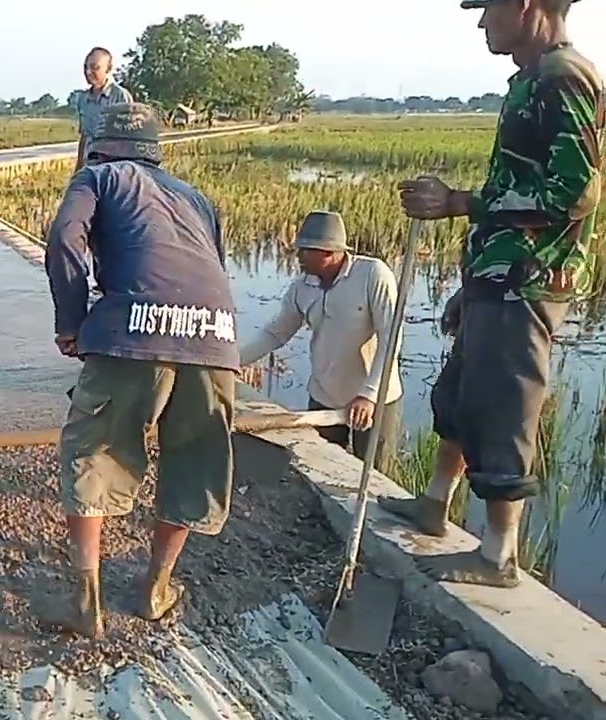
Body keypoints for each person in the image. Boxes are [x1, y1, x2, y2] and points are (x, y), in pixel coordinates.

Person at [380, 0, 603, 588]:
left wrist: (461, 203)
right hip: (497, 273)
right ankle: (435, 504)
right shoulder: (530, 81)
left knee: (505, 406)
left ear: (528, 6)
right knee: (456, 396)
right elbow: (517, 181)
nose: (482, 23)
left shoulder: (563, 78)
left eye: (491, 9)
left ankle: (498, 555)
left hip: (529, 276)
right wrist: (474, 276)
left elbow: (573, 195)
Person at [44, 102, 239, 638]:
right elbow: (212, 270)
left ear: (98, 147)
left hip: (131, 329)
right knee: (193, 459)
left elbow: (64, 240)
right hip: (215, 338)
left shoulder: (98, 177)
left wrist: (72, 321)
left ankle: (87, 601)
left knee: (94, 452)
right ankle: (156, 588)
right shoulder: (194, 196)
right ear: (156, 152)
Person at [238, 211, 403, 474]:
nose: (299, 257)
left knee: (374, 475)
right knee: (324, 470)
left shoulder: (373, 275)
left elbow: (390, 338)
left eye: (306, 250)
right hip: (324, 396)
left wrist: (369, 395)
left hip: (374, 400)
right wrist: (232, 362)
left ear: (329, 251)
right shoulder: (301, 287)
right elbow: (276, 333)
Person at [74, 47, 133, 171]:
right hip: (90, 168)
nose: (88, 72)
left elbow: (130, 138)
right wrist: (78, 171)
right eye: (86, 67)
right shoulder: (83, 100)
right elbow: (84, 137)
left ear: (109, 69)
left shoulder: (120, 96)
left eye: (95, 67)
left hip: (114, 168)